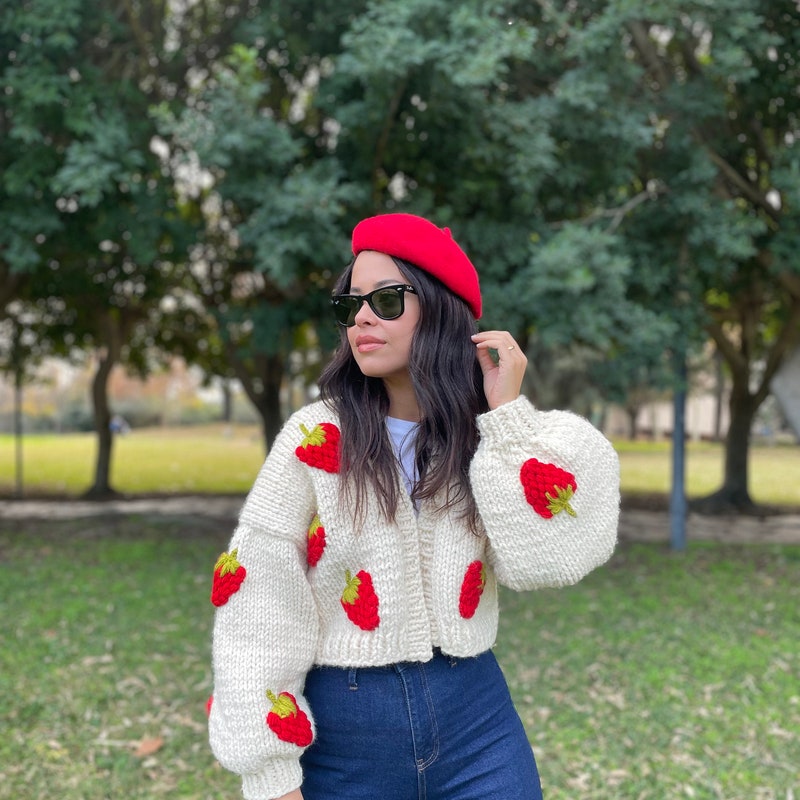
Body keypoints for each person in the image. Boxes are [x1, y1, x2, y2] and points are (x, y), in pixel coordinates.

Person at [207, 212, 620, 800]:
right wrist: (271, 776)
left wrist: (506, 418)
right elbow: (259, 600)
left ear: (440, 307)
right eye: (351, 305)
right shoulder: (314, 438)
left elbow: (552, 560)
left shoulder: (491, 439)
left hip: (477, 723)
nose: (364, 318)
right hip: (345, 735)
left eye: (387, 299)